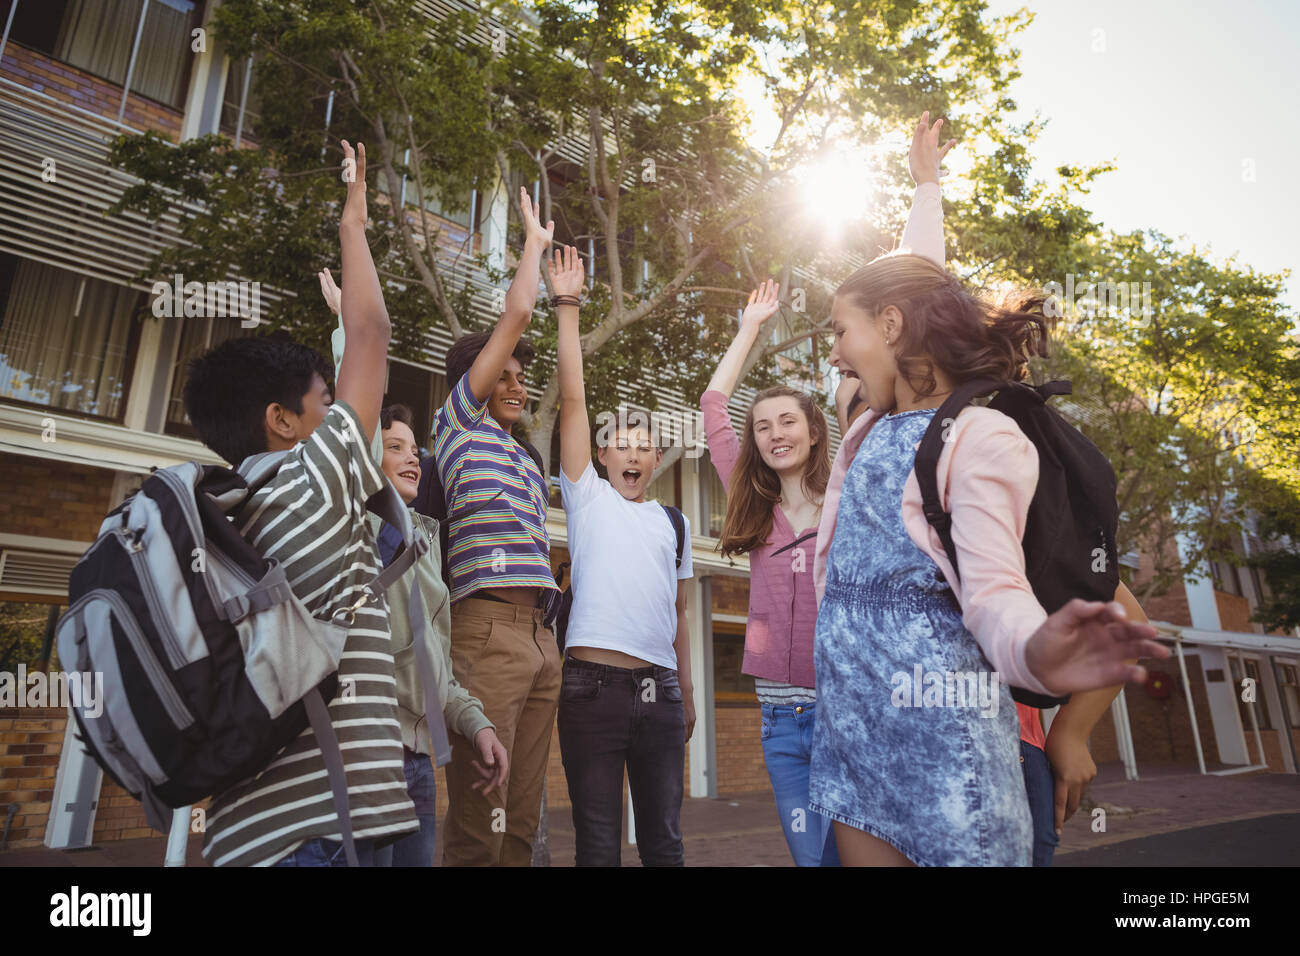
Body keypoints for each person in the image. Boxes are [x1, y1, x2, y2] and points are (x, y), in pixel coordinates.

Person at [808, 114, 1168, 867]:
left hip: (949, 747)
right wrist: (926, 186)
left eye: (840, 331)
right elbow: (917, 276)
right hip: (851, 733)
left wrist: (1035, 650)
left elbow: (995, 594)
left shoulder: (979, 435)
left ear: (891, 326)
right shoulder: (865, 421)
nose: (834, 350)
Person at [184, 140, 416, 866]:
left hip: (253, 836)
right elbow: (374, 336)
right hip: (320, 832)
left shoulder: (232, 514)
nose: (340, 414)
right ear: (281, 422)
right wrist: (353, 220)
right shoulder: (311, 482)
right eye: (322, 402)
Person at [431, 187, 562, 866]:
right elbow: (516, 310)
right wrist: (535, 247)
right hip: (484, 632)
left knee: (525, 813)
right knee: (481, 811)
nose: (515, 384)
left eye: (521, 377)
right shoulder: (456, 427)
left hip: (541, 638)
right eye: (501, 374)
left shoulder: (522, 458)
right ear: (472, 381)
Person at [552, 244, 695, 866]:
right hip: (591, 689)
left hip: (659, 693)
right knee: (599, 843)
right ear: (602, 456)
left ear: (656, 461)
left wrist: (685, 690)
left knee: (664, 841)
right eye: (622, 445)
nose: (634, 455)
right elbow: (576, 401)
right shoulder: (586, 498)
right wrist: (567, 305)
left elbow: (681, 614)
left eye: (646, 448)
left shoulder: (673, 522)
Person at [699, 281, 838, 866]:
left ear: (812, 430)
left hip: (843, 712)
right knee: (812, 861)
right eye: (762, 426)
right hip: (780, 719)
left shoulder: (845, 497)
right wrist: (749, 328)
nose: (775, 433)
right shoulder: (753, 506)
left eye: (787, 421)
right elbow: (712, 407)